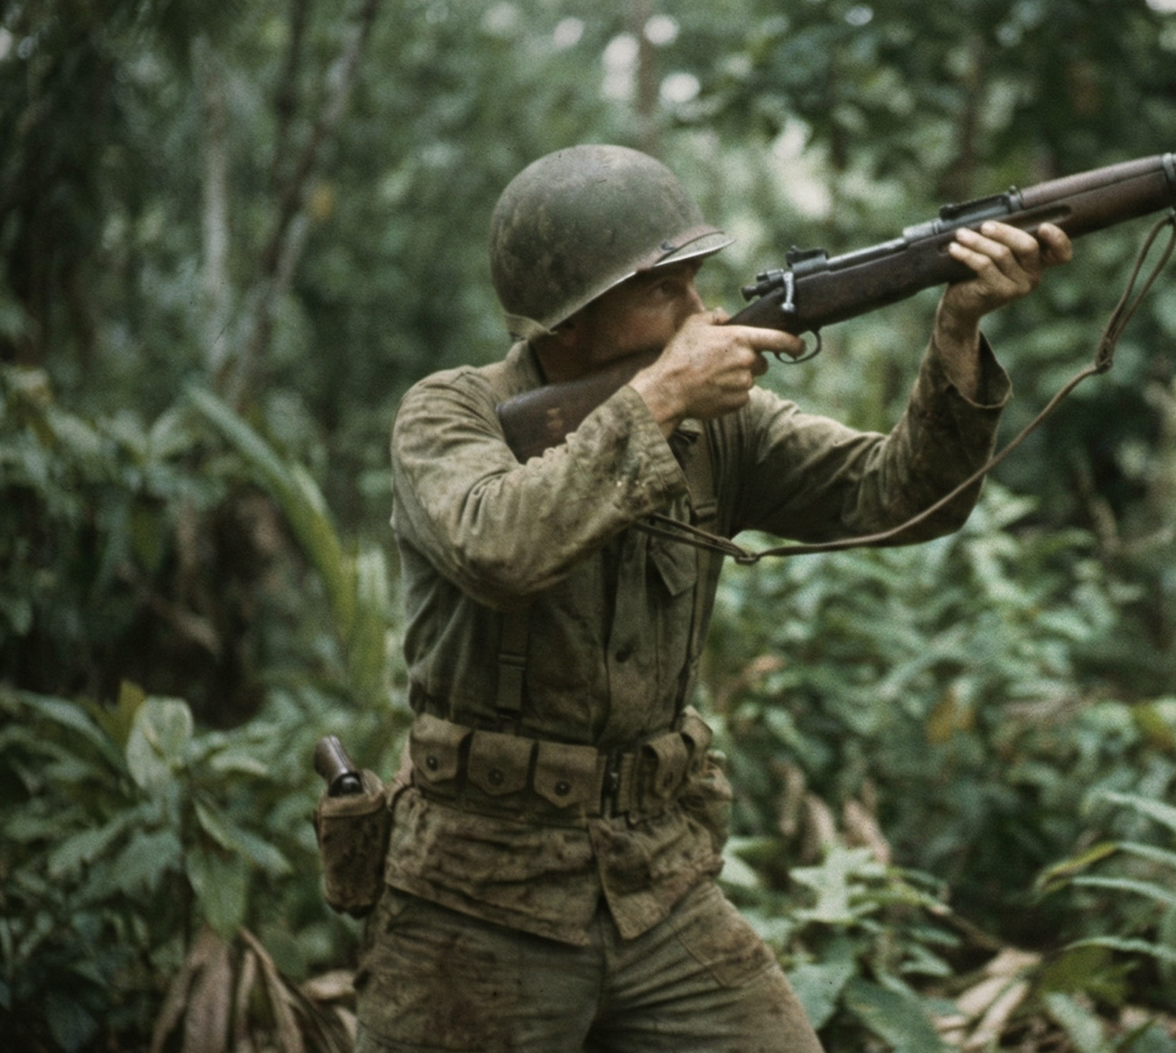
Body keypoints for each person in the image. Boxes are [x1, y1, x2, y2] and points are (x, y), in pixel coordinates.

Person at [359, 144, 1071, 1052]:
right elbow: (497, 546)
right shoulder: (448, 414)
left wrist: (959, 333)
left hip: (657, 880)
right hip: (473, 891)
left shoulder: (716, 421)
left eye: (699, 282)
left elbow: (897, 499)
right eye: (665, 290)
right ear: (569, 317)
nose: (700, 312)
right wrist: (655, 400)